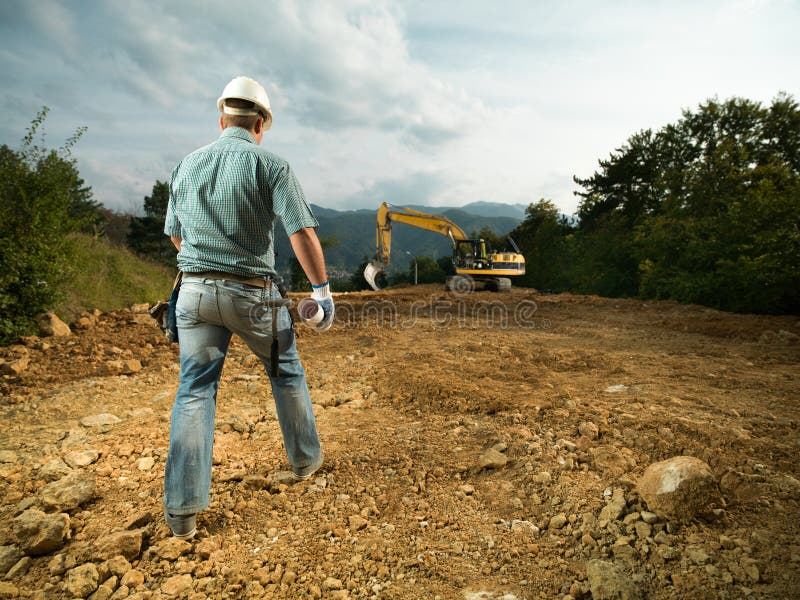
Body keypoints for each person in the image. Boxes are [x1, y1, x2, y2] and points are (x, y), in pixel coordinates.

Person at [161, 76, 333, 540]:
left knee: (194, 391)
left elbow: (176, 235)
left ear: (222, 120)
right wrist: (321, 292)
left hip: (194, 295)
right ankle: (304, 462)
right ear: (260, 124)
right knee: (286, 373)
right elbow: (302, 233)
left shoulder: (186, 164)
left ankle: (182, 513)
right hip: (254, 296)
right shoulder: (271, 165)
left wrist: (204, 259)